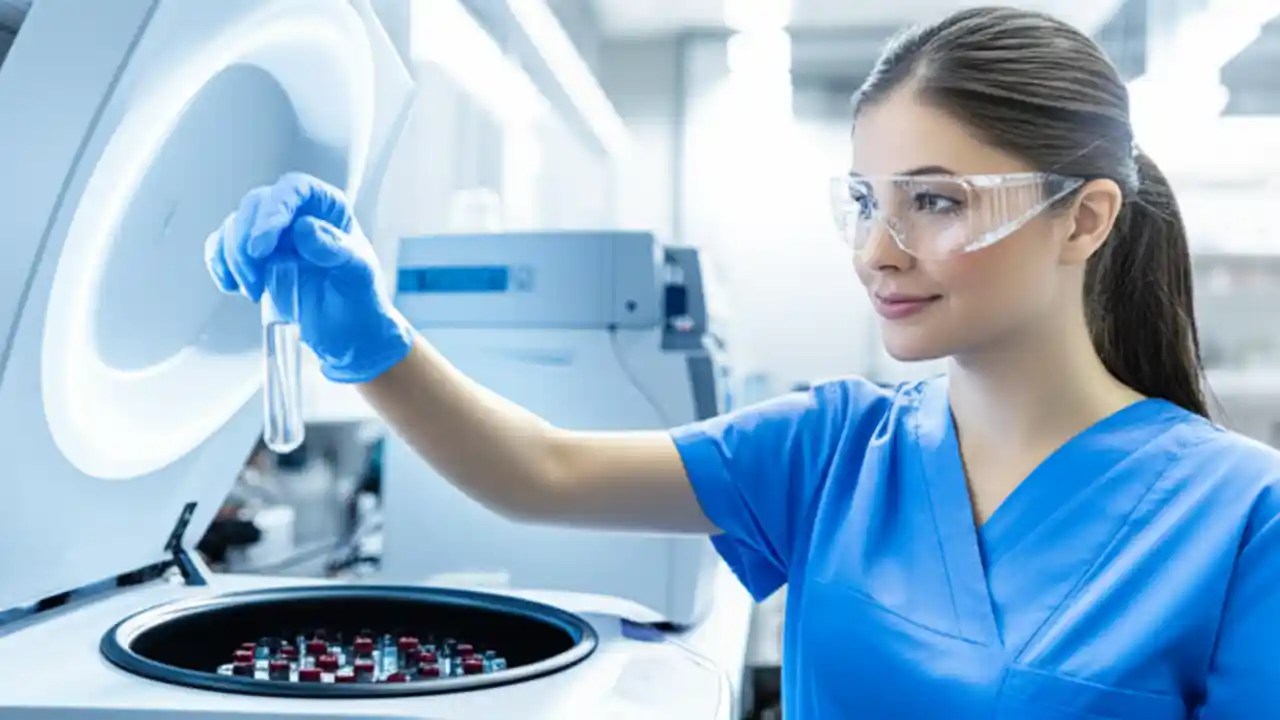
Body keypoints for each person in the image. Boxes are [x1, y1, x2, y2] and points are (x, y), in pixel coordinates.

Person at [205, 6, 1280, 718]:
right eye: (865, 200)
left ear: (1083, 218)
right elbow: (538, 472)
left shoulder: (1240, 517)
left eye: (935, 202)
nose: (876, 249)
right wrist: (364, 337)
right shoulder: (831, 448)